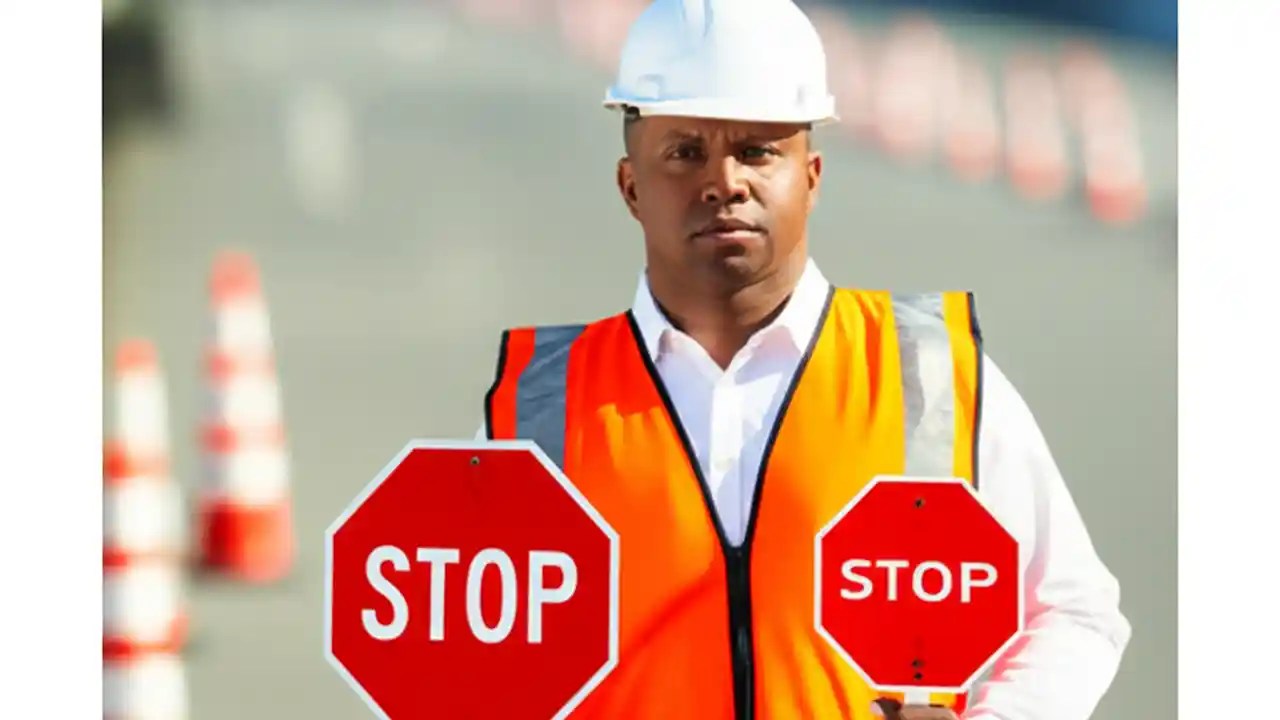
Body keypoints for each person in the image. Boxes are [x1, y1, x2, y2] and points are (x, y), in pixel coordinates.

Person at [477, 0, 1130, 717]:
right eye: (684, 151)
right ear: (631, 185)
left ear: (812, 176)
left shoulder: (928, 374)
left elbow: (1073, 611)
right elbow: (468, 660)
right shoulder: (543, 402)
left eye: (758, 151)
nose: (725, 181)